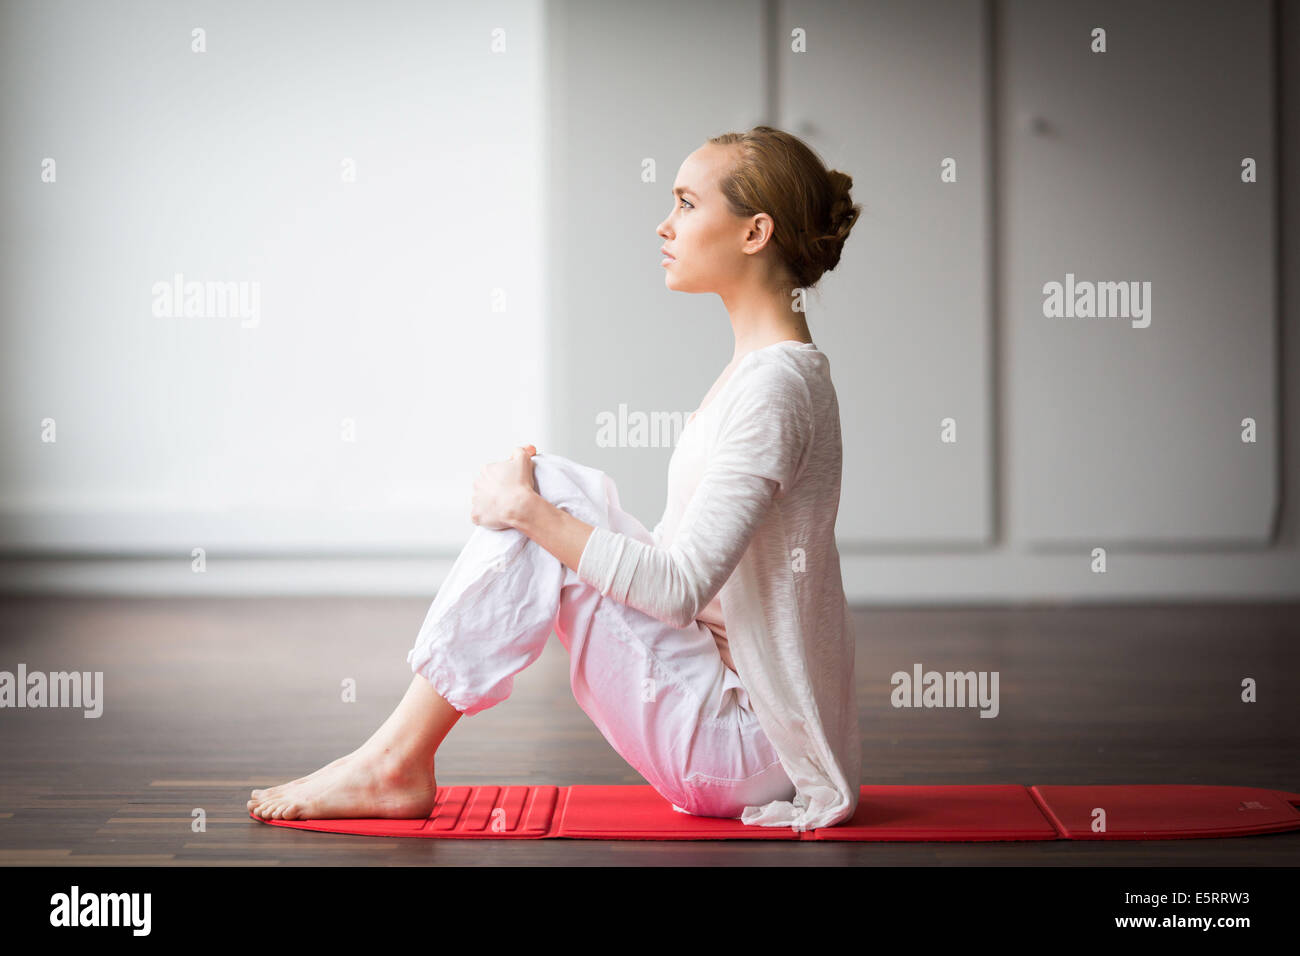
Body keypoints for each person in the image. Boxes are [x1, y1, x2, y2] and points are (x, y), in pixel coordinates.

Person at [248, 125, 863, 829]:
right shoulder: (763, 374)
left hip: (747, 755)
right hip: (739, 725)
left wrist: (525, 512)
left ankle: (394, 761)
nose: (665, 225)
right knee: (553, 489)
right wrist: (533, 506)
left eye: (687, 204)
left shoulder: (773, 389)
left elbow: (677, 589)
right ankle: (394, 757)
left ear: (756, 233)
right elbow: (686, 580)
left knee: (546, 499)